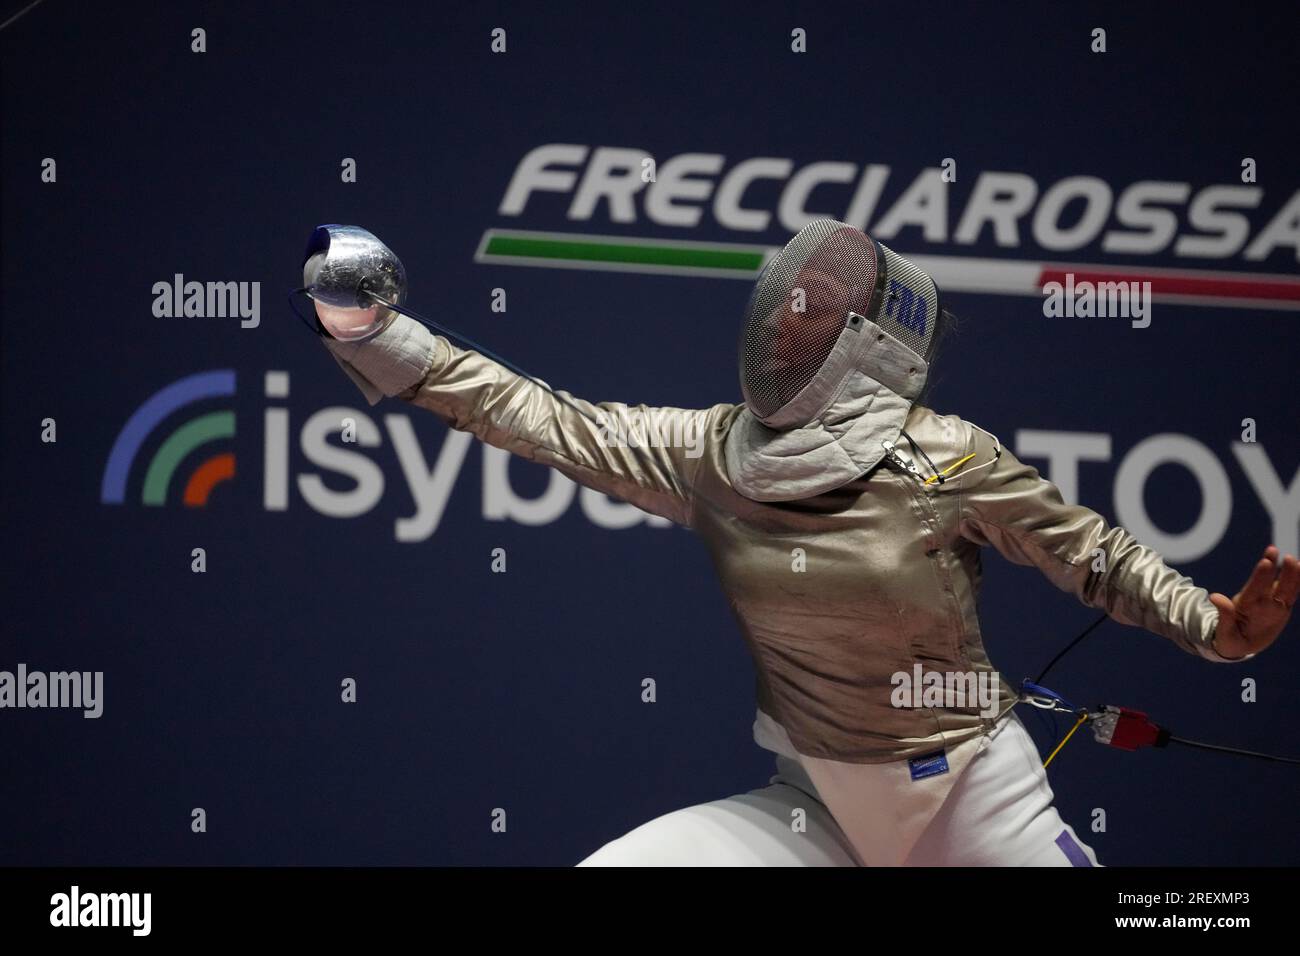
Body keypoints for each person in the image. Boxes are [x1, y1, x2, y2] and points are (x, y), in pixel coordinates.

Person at [302, 219, 1297, 866]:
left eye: (814, 306)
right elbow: (537, 415)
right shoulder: (707, 453)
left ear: (867, 349)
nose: (784, 314)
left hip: (970, 803)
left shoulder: (948, 458)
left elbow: (1098, 559)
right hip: (812, 807)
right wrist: (372, 334)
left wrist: (1217, 628)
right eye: (786, 295)